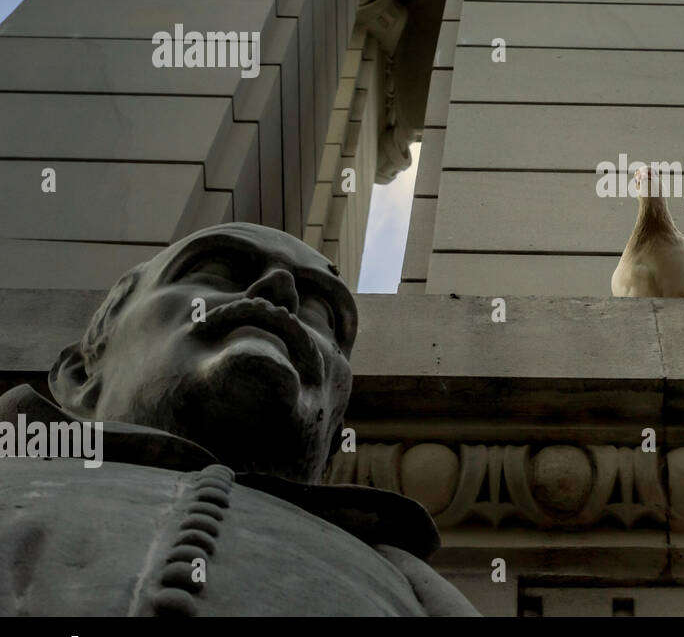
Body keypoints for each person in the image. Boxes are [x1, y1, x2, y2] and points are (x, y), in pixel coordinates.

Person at [0, 222, 478, 616]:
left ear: (333, 436)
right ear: (81, 373)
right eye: (218, 270)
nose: (281, 292)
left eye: (321, 310)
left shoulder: (407, 581)